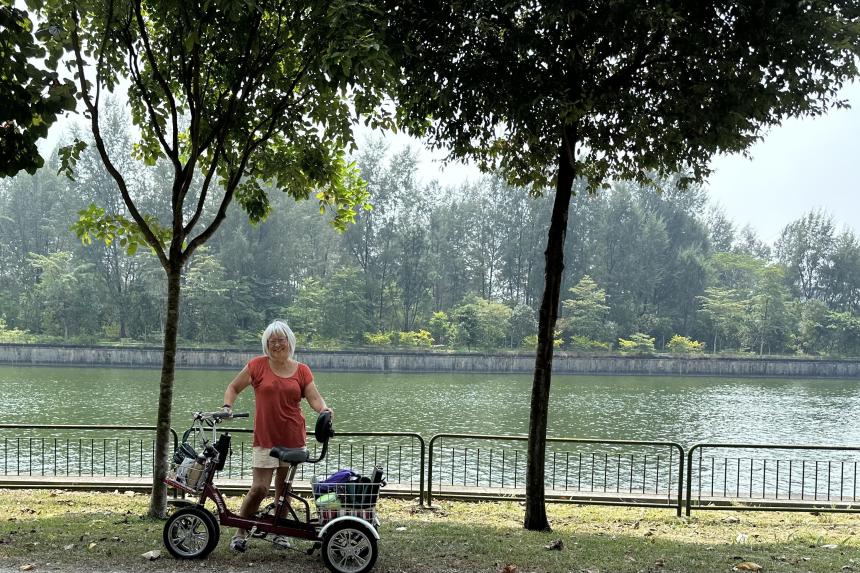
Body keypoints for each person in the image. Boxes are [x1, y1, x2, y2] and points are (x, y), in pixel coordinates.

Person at [221, 320, 332, 552]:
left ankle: (280, 533)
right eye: (272, 341)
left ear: (289, 342)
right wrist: (227, 407)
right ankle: (241, 531)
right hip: (265, 438)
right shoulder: (257, 366)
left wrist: (324, 409)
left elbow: (314, 397)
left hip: (293, 438)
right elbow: (233, 387)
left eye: (281, 340)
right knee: (259, 489)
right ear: (266, 344)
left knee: (284, 491)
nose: (277, 344)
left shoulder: (302, 370)